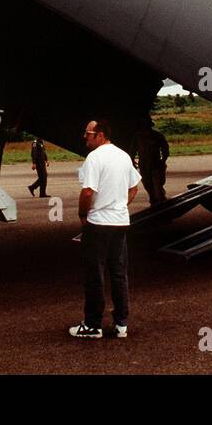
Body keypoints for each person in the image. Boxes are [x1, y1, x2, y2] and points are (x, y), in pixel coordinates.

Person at [69, 119, 141, 339]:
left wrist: (83, 214)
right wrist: (119, 206)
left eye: (87, 134)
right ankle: (121, 324)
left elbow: (88, 192)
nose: (85, 137)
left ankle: (93, 325)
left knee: (95, 274)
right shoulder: (123, 156)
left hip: (98, 224)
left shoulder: (94, 158)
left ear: (99, 135)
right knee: (119, 274)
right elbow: (134, 187)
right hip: (119, 223)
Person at [130, 117, 171, 206]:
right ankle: (153, 202)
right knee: (148, 185)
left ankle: (161, 204)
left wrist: (162, 161)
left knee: (158, 187)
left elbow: (165, 149)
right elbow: (132, 151)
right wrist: (132, 161)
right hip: (144, 165)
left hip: (155, 164)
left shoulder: (157, 135)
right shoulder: (137, 137)